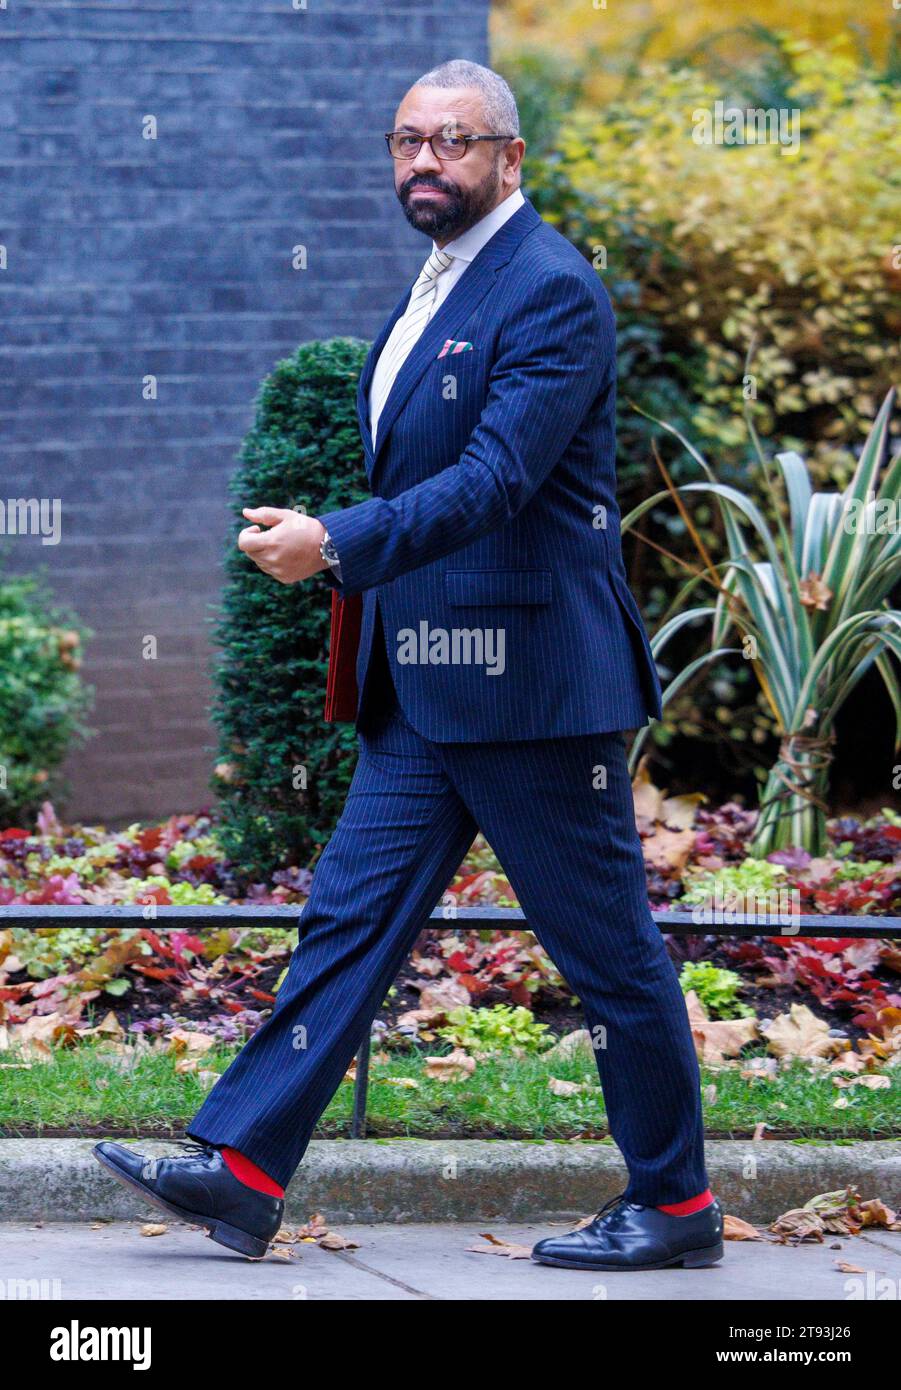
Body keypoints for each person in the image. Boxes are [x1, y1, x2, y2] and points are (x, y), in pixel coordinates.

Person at [94, 58, 722, 1274]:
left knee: (605, 954)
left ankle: (676, 1206)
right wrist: (348, 533)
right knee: (347, 917)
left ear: (510, 160)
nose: (424, 162)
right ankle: (243, 1166)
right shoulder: (444, 279)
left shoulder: (549, 289)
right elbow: (424, 465)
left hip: (534, 687)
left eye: (454, 141)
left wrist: (336, 542)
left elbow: (495, 480)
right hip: (427, 684)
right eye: (406, 141)